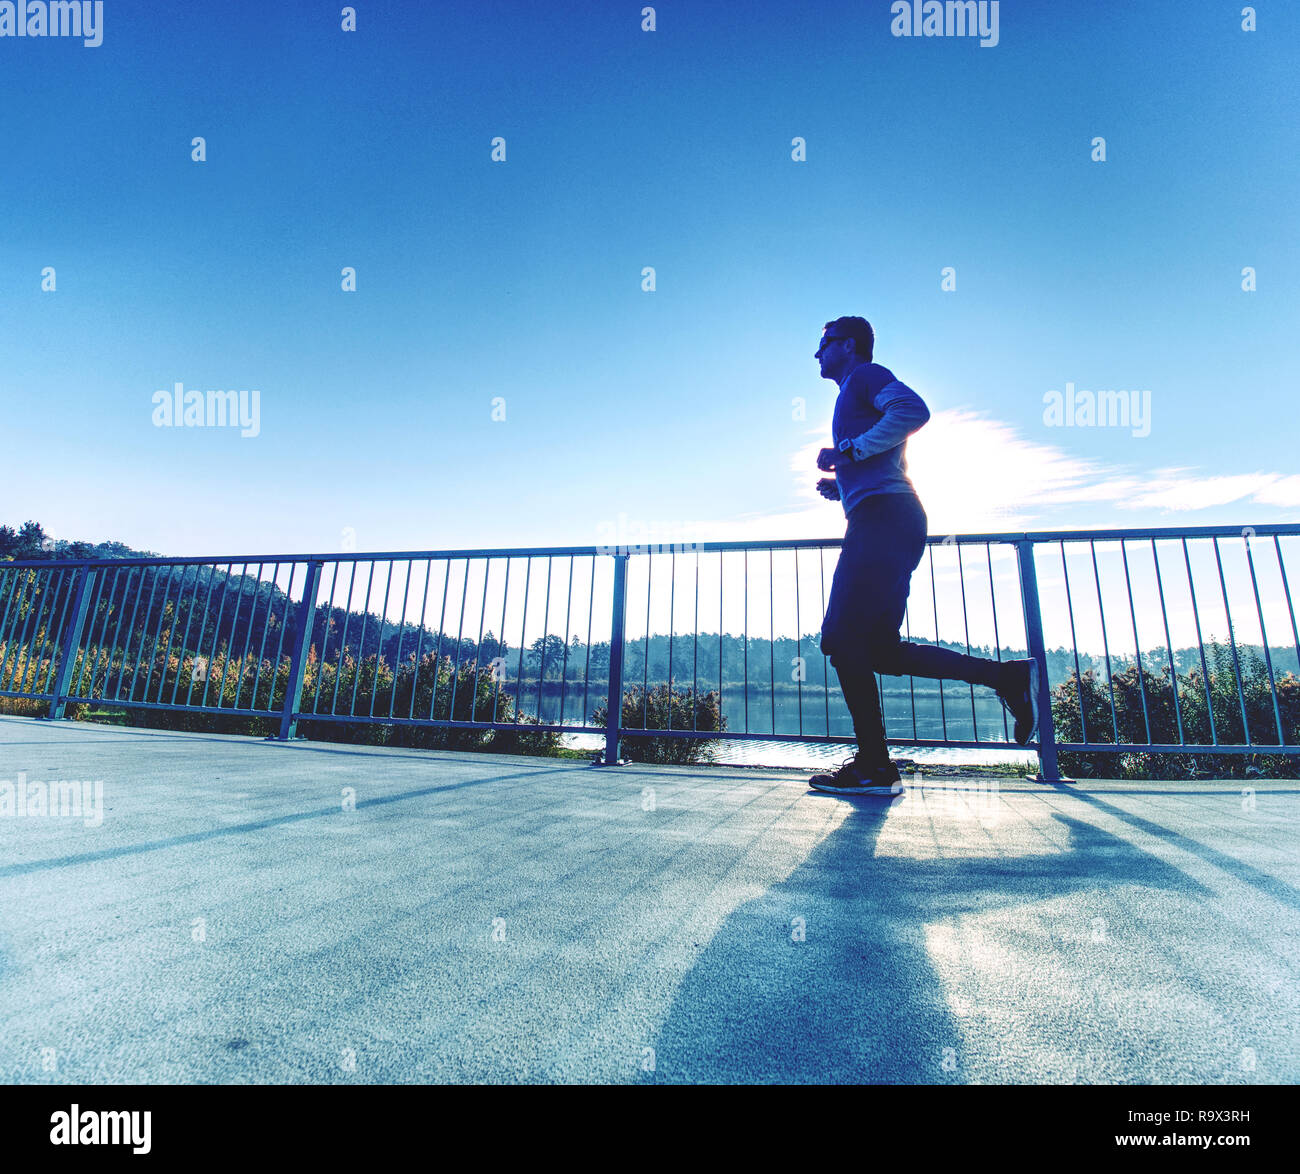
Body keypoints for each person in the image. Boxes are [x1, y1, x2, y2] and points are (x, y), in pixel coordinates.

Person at [808, 316, 1039, 795]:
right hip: (889, 516)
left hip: (886, 519)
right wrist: (844, 485)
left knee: (839, 638)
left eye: (824, 343)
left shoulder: (864, 377)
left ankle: (873, 765)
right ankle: (1008, 678)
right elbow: (888, 455)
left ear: (848, 346)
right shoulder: (853, 388)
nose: (817, 354)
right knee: (880, 651)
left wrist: (848, 451)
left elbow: (913, 411)